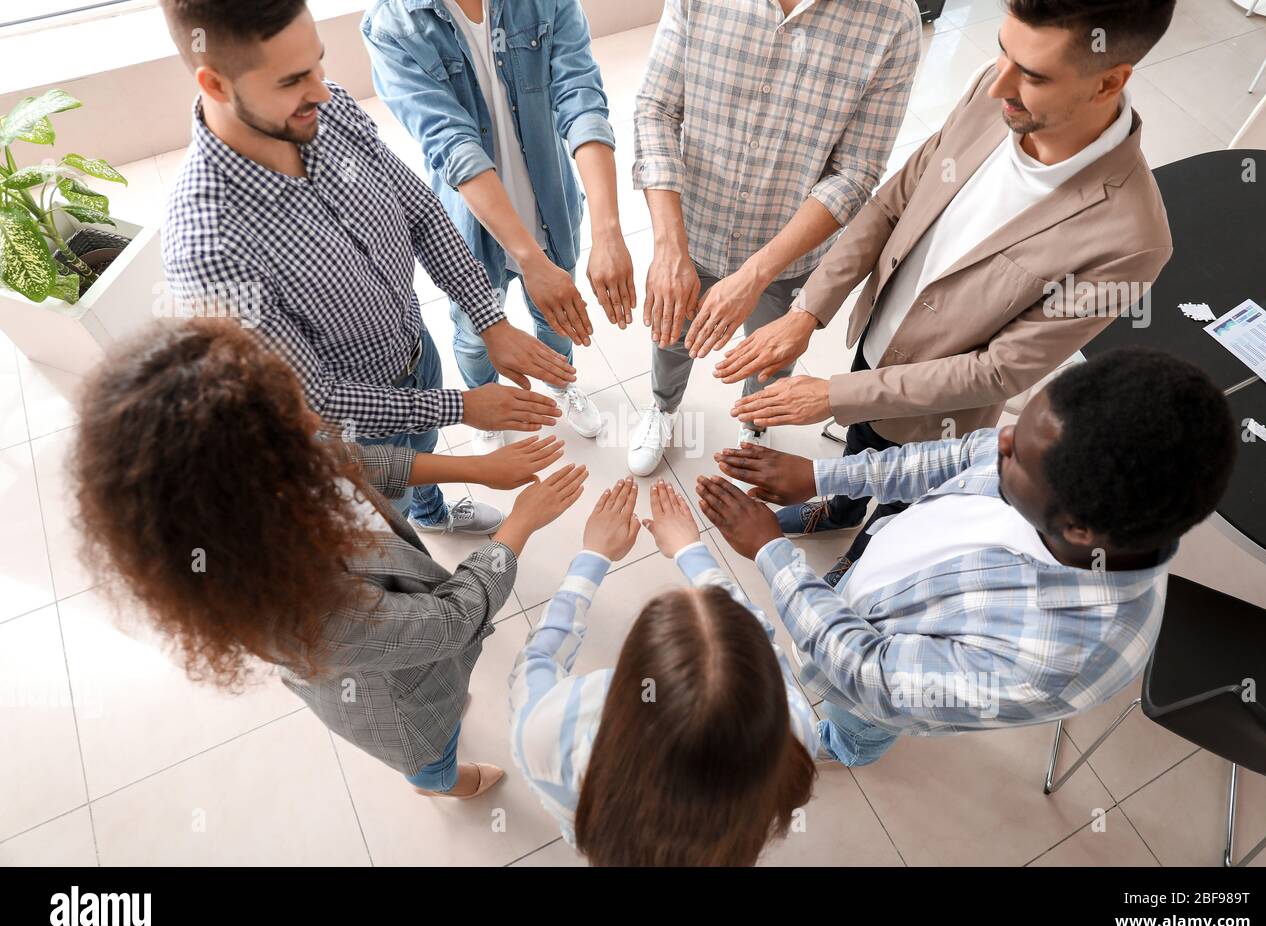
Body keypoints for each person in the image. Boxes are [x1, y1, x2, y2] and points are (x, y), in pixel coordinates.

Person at [718, 0, 1176, 581]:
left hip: (936, 416)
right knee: (860, 451)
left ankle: (862, 565)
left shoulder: (1130, 239)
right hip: (872, 349)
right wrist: (809, 310)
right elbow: (893, 203)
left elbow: (998, 371)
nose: (998, 85)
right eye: (1003, 54)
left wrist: (833, 395)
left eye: (1031, 74)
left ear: (1110, 80)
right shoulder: (995, 90)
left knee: (904, 504)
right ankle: (839, 508)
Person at [73, 316, 588, 798]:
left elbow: (347, 460)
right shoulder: (299, 615)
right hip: (401, 704)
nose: (313, 416)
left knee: (444, 692)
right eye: (292, 415)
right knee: (433, 754)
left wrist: (475, 468)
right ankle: (437, 783)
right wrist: (520, 525)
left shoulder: (266, 462)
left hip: (413, 654)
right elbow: (450, 621)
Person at [704, 347, 1236, 767]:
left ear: (1077, 526)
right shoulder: (1058, 473)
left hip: (867, 692)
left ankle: (840, 750)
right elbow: (955, 455)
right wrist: (823, 476)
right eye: (1018, 423)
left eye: (1016, 454)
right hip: (867, 594)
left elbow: (873, 676)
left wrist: (772, 553)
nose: (999, 438)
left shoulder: (1058, 657)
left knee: (855, 727)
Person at [160, 0, 575, 536]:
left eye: (318, 62)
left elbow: (421, 211)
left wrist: (488, 319)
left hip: (415, 357)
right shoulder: (210, 249)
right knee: (389, 519)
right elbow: (318, 400)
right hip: (357, 432)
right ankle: (415, 526)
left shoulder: (327, 109)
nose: (321, 87)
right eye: (292, 80)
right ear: (215, 85)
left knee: (423, 463)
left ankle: (433, 511)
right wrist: (462, 408)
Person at [625, 0, 922, 476]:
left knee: (770, 351)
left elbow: (855, 172)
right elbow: (657, 108)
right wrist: (668, 247)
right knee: (671, 335)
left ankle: (756, 418)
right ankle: (661, 408)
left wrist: (756, 273)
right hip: (693, 228)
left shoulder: (894, 18)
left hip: (791, 251)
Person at [362, 0, 635, 455]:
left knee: (556, 322)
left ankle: (561, 386)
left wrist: (609, 232)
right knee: (475, 333)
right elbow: (453, 144)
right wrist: (529, 260)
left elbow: (580, 97)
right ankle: (485, 401)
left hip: (552, 211)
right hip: (470, 230)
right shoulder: (393, 24)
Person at [508, 478, 817, 864]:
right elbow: (762, 638)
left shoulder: (548, 731)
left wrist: (592, 558)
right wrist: (691, 552)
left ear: (633, 674)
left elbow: (538, 659)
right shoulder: (796, 734)